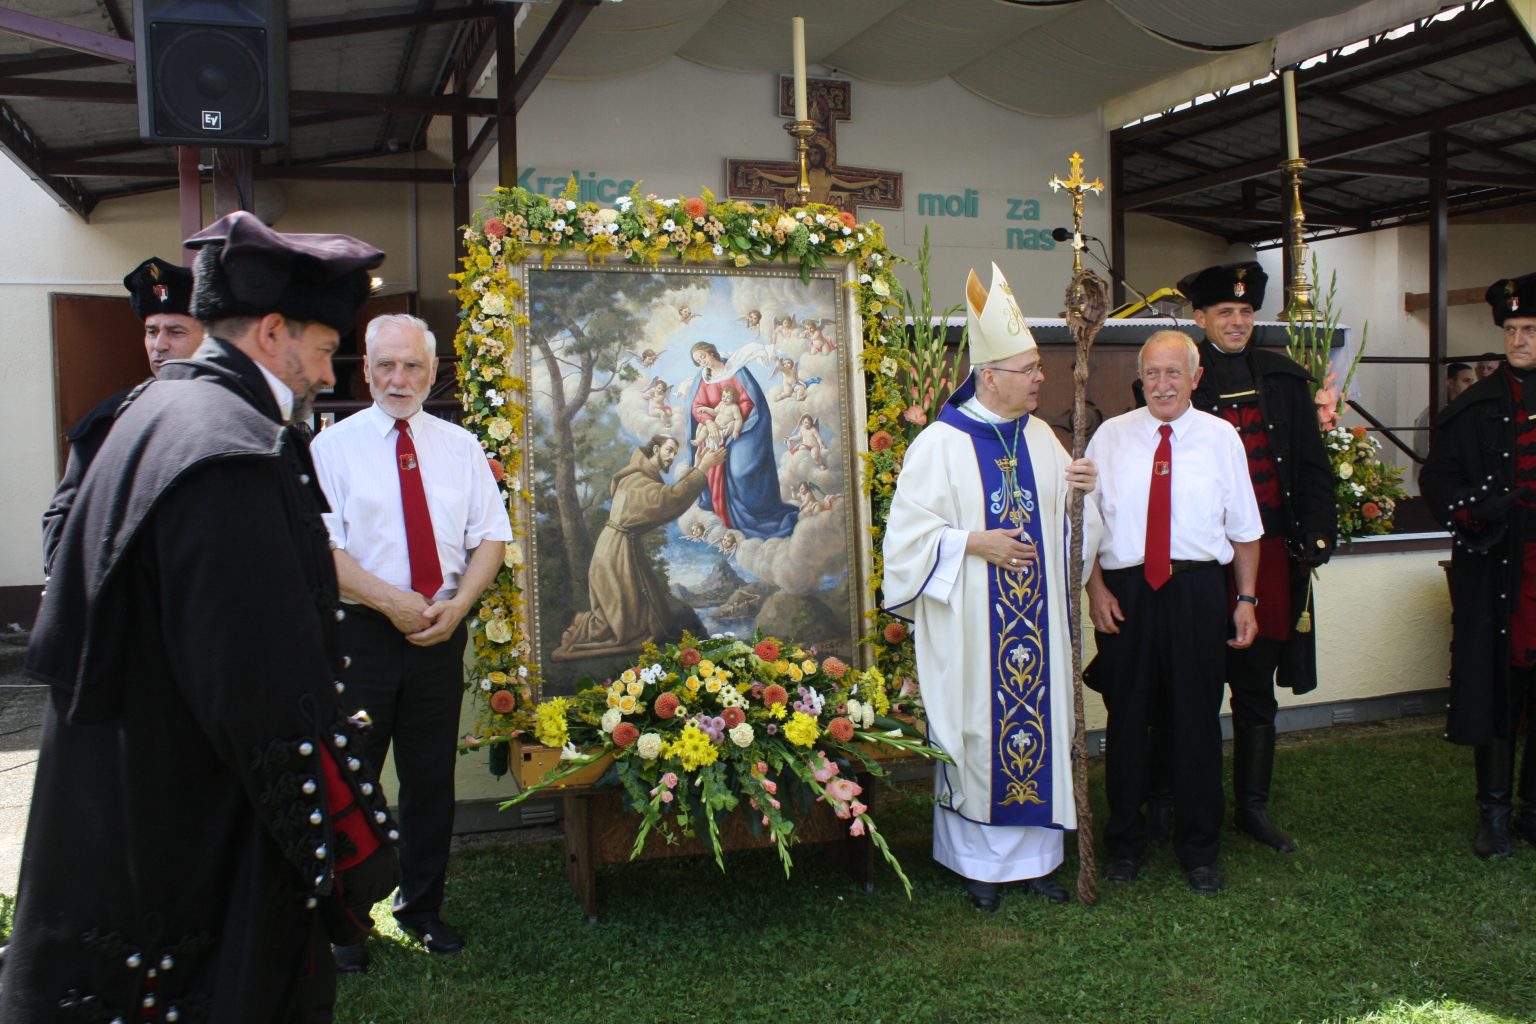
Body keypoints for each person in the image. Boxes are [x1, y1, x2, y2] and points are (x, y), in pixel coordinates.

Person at [6, 210, 398, 1022]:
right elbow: (262, 695)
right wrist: (346, 853)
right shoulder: (231, 451)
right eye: (326, 349)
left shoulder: (155, 414)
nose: (331, 374)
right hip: (191, 830)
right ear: (273, 330)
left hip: (127, 806)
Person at [883, 263, 1099, 910]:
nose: (1042, 379)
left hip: (1035, 631)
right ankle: (978, 864)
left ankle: (1035, 862)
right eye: (1030, 370)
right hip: (972, 628)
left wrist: (1081, 496)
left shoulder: (1042, 437)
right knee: (978, 733)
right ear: (990, 376)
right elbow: (904, 544)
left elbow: (1073, 536)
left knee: (1036, 728)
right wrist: (972, 542)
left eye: (1039, 368)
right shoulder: (940, 445)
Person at [310, 314, 513, 971]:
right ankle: (345, 927)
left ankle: (421, 911)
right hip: (362, 636)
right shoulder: (330, 450)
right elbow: (324, 552)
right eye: (386, 366)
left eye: (413, 366)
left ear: (432, 371)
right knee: (352, 779)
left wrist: (458, 607)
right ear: (365, 369)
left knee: (430, 782)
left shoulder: (459, 446)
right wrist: (392, 602)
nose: (400, 379)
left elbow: (491, 539)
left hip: (440, 633)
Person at [1086, 330, 1262, 894]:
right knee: (1128, 719)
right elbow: (1083, 526)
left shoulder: (1221, 438)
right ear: (1142, 379)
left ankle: (1199, 847)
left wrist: (1246, 600)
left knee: (1196, 721)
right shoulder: (1110, 438)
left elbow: (1245, 531)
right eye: (1153, 374)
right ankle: (1125, 842)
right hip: (1128, 594)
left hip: (1197, 593)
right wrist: (1095, 591)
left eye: (1174, 373)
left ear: (1195, 378)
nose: (1163, 384)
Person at [1171, 261, 1336, 854]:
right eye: (1224, 313)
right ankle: (1185, 801)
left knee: (1256, 688)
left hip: (1266, 557)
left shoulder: (1286, 379)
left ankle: (1253, 808)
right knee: (1193, 685)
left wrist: (1317, 538)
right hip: (1198, 561)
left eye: (1244, 312)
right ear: (1200, 318)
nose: (1236, 322)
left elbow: (1313, 469)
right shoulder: (1178, 381)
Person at [1421, 272, 1536, 859]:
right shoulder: (1475, 406)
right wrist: (1474, 513)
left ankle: (1533, 813)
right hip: (1498, 568)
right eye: (1512, 329)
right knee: (1498, 687)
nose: (1519, 340)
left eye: (1530, 329)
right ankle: (1493, 812)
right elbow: (1436, 479)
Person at [40, 256, 205, 574]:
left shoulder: (237, 421)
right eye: (151, 331)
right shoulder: (107, 422)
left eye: (175, 332)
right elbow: (62, 521)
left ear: (209, 338)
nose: (159, 345)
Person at [553, 436, 726, 661]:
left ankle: (584, 624)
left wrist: (696, 469)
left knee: (646, 618)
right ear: (655, 448)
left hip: (620, 548)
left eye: (675, 452)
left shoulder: (640, 478)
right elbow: (668, 500)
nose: (672, 457)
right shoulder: (636, 481)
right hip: (615, 554)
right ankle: (582, 626)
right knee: (627, 629)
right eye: (669, 450)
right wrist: (703, 469)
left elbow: (663, 496)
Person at [682, 340, 798, 539]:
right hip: (715, 431)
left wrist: (732, 424)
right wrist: (710, 422)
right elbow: (697, 406)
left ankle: (755, 514)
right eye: (698, 361)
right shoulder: (703, 379)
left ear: (712, 352)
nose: (702, 362)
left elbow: (750, 402)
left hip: (745, 429)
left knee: (740, 470)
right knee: (707, 460)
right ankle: (721, 517)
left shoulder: (736, 371)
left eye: (703, 356)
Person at [1412, 361, 1476, 478]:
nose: (1471, 386)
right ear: (1450, 383)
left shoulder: (1451, 411)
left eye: (1472, 381)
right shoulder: (1435, 414)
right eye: (1466, 381)